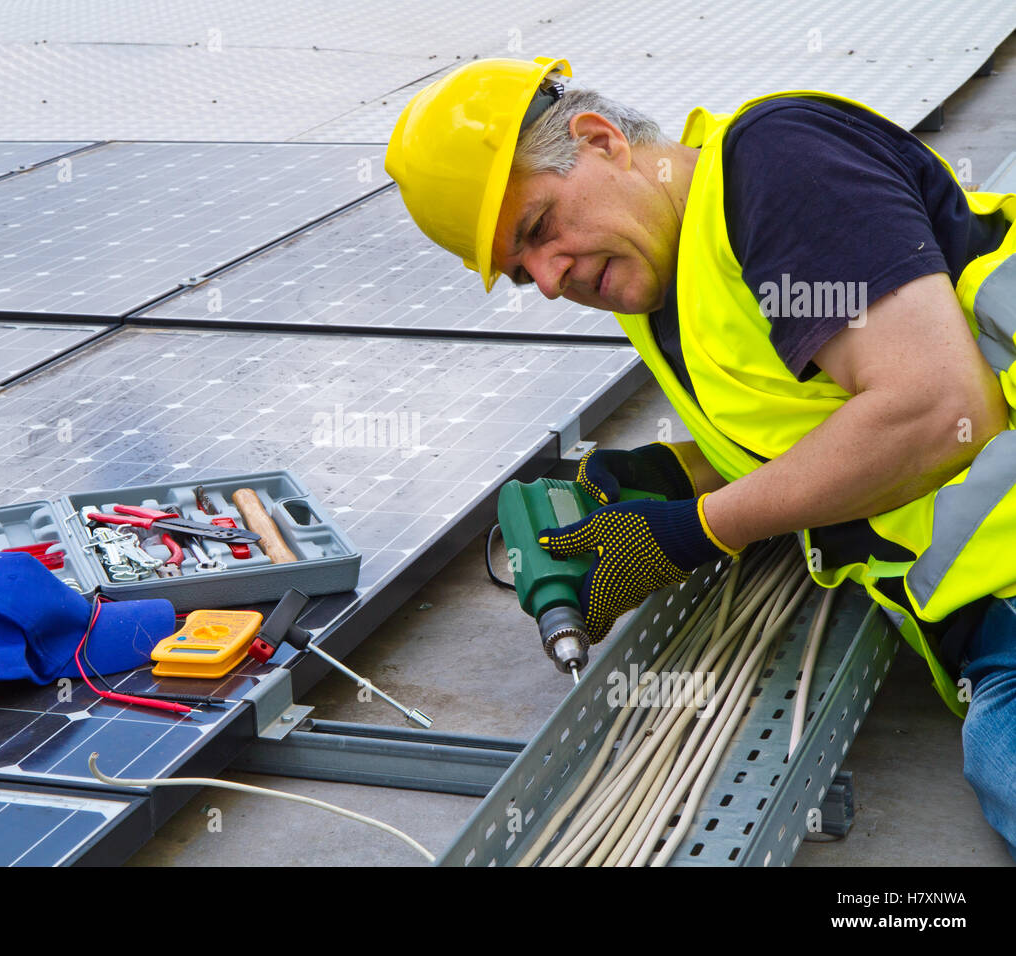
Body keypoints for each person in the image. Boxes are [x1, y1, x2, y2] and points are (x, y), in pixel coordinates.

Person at [385, 56, 1016, 853]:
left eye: (539, 228)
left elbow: (936, 409)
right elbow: (817, 415)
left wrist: (696, 531)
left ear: (601, 138)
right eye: (520, 273)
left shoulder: (777, 163)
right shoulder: (665, 290)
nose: (549, 280)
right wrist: (670, 476)